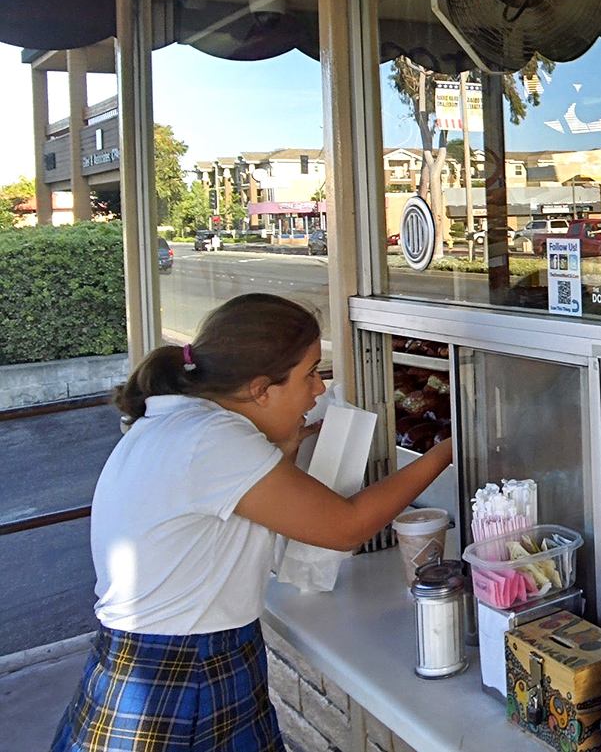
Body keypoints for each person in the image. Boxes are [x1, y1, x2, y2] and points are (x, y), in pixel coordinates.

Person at [51, 293, 453, 752]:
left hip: (158, 664)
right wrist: (446, 449)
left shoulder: (181, 421)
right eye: (309, 375)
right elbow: (346, 526)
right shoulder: (211, 438)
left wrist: (278, 453)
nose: (320, 390)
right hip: (183, 680)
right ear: (260, 389)